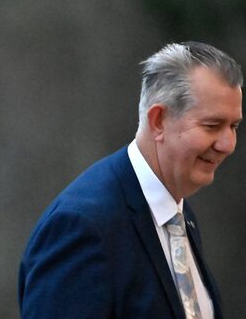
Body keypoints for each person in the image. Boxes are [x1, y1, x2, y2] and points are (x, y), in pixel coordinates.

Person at [19, 42, 242, 319]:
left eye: (234, 126)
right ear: (159, 120)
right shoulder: (82, 227)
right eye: (212, 126)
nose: (228, 144)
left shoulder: (180, 215)